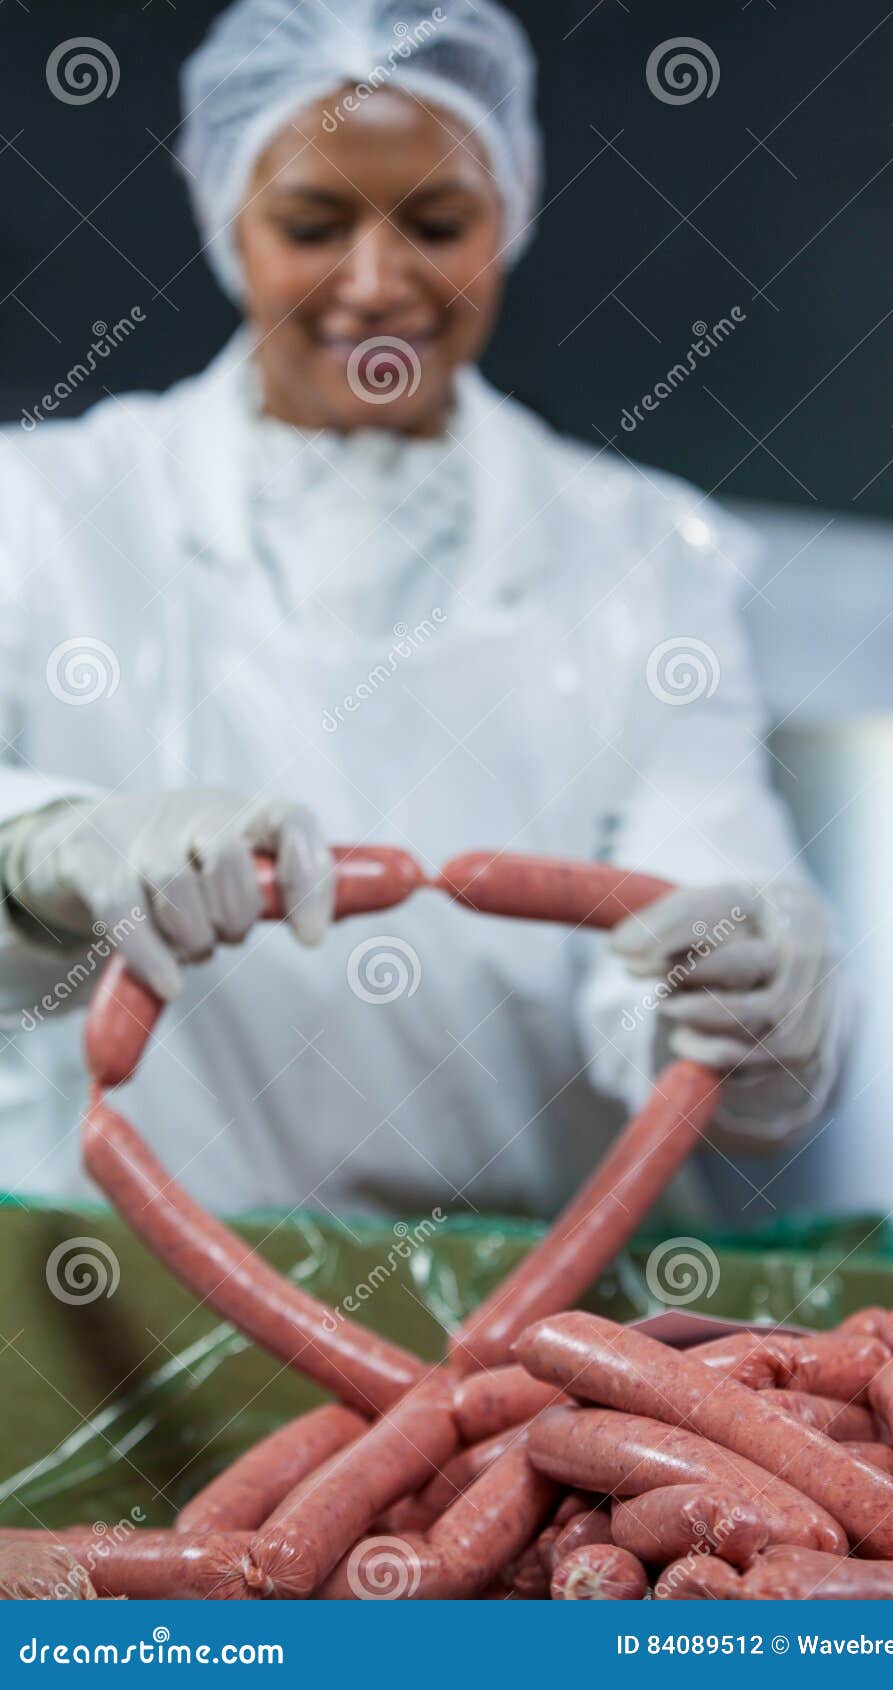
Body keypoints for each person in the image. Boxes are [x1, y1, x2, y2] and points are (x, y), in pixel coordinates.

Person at [0, 0, 845, 1219]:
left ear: (510, 215)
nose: (375, 281)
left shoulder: (643, 554)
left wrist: (743, 999)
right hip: (114, 1303)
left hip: (536, 1344)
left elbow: (698, 897)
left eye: (437, 223)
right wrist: (51, 846)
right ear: (226, 219)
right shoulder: (43, 507)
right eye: (312, 223)